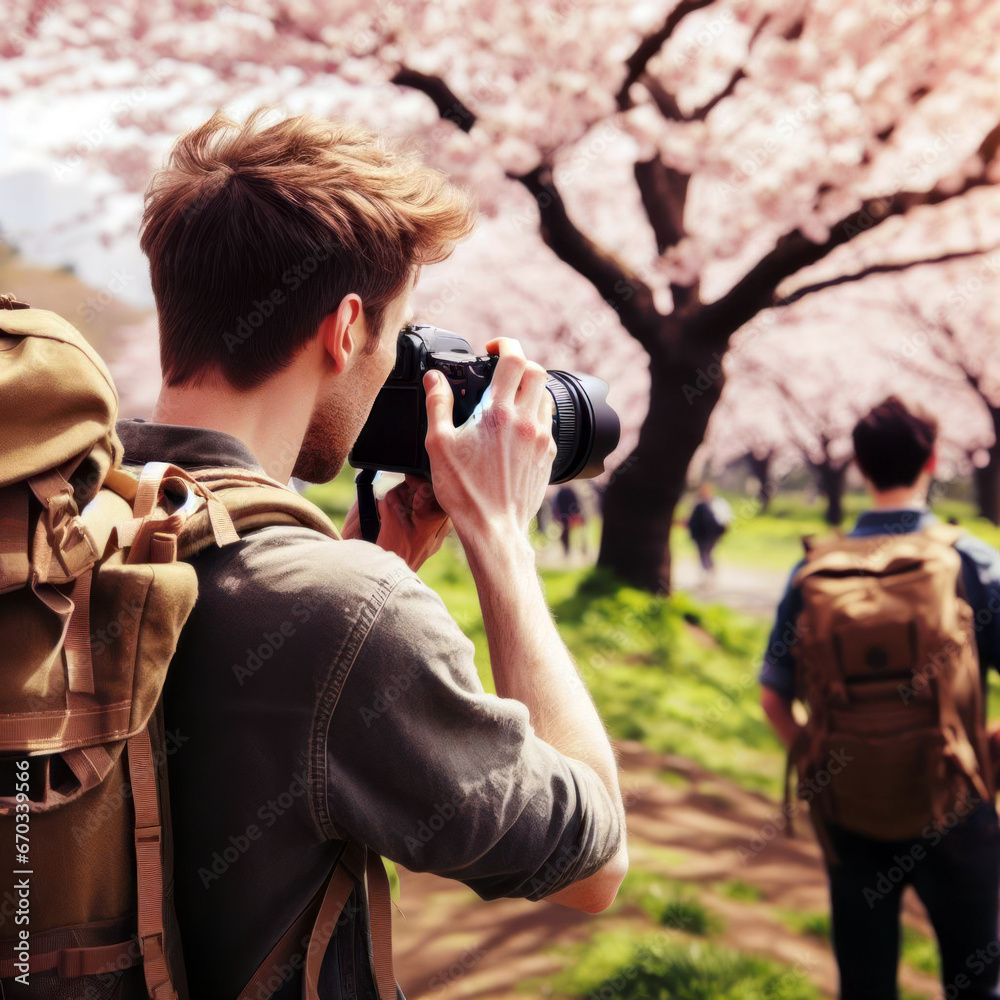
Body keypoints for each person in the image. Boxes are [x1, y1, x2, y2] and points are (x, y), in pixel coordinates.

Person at [121, 108, 628, 999]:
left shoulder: (66, 517)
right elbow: (595, 864)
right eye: (396, 338)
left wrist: (363, 569)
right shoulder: (339, 613)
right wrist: (500, 537)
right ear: (346, 327)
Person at [760, 396, 1000, 1000]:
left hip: (849, 804)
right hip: (953, 796)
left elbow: (773, 696)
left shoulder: (813, 568)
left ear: (861, 468)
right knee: (976, 979)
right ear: (933, 461)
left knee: (865, 981)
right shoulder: (967, 560)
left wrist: (820, 760)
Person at [687, 482, 730, 580]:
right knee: (705, 553)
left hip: (708, 535)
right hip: (705, 535)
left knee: (705, 553)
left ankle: (708, 572)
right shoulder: (700, 505)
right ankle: (708, 572)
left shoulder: (714, 504)